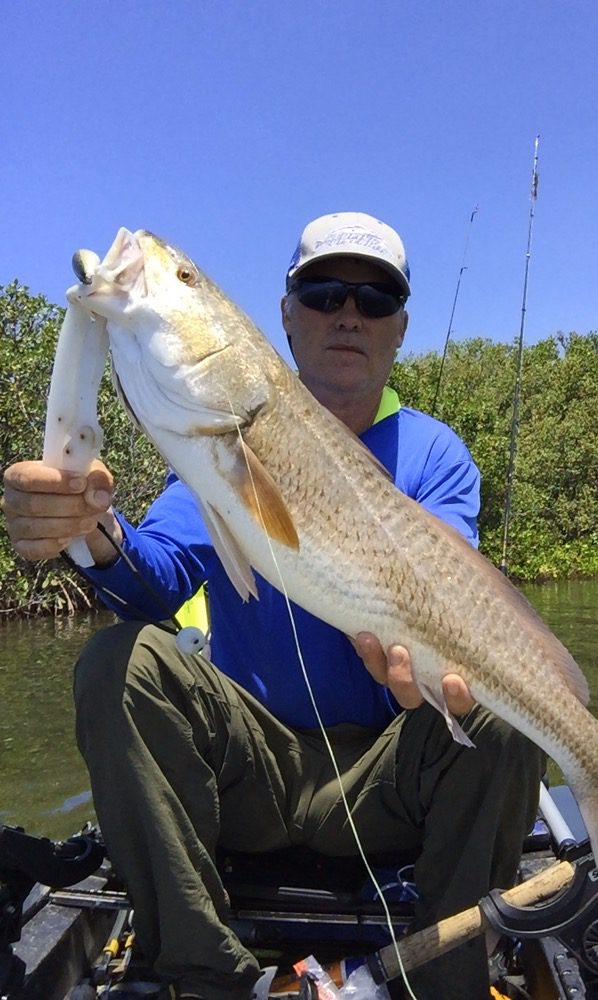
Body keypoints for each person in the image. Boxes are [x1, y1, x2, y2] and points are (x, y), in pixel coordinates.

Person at [2, 213, 544, 1000]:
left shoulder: (435, 455)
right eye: (323, 292)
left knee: (504, 701)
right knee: (119, 665)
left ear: (400, 328)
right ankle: (205, 976)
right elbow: (152, 586)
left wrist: (434, 667)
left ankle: (446, 978)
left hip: (387, 779)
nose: (348, 312)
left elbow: (445, 602)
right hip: (248, 772)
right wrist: (90, 528)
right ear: (284, 318)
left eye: (374, 296)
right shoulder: (214, 451)